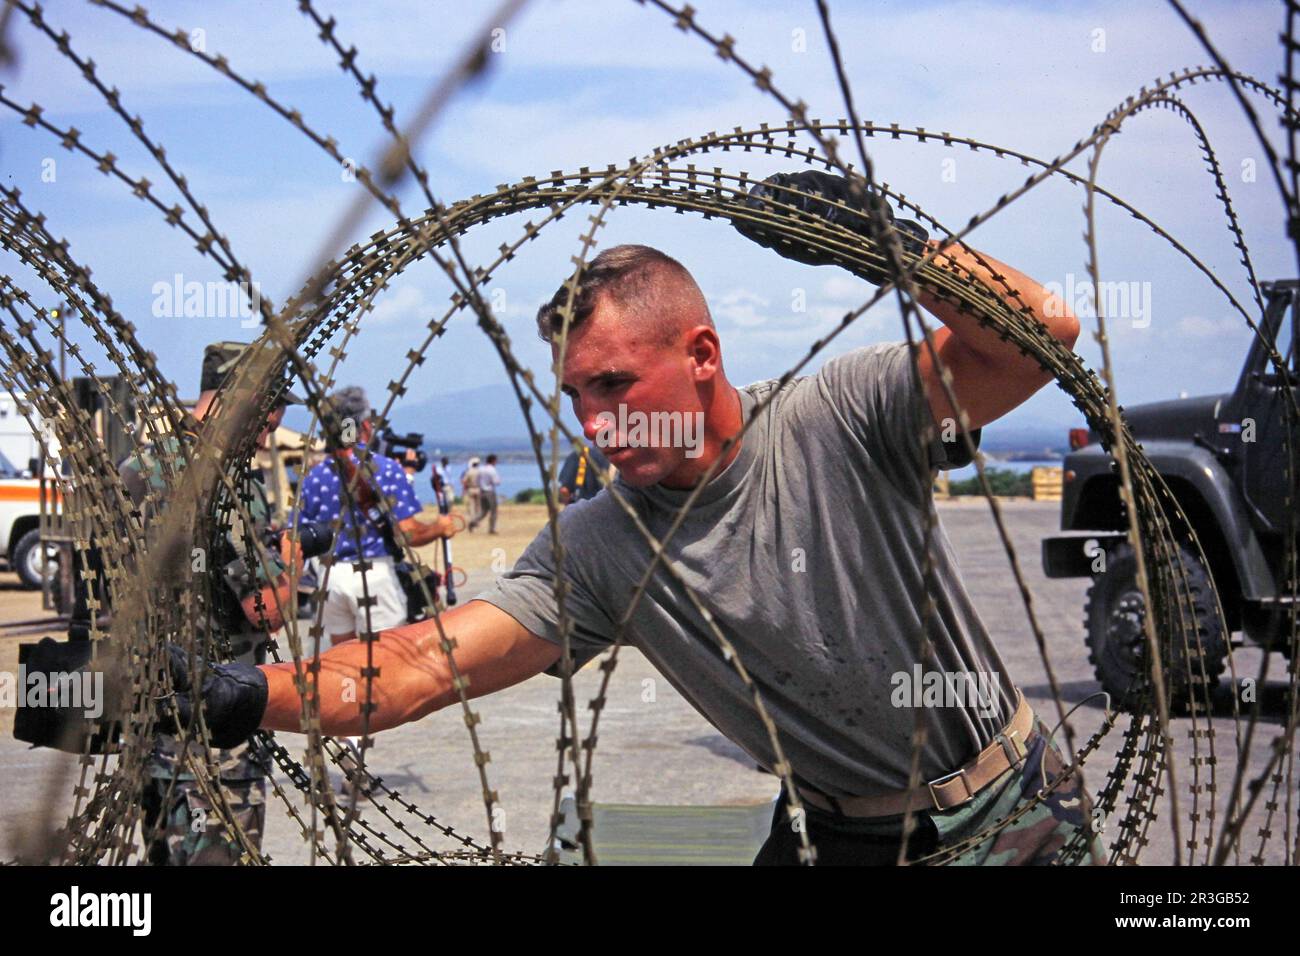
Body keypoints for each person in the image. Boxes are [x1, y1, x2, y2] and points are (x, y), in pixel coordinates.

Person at [165, 175, 1100, 866]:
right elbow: (413, 667)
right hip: (831, 834)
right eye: (577, 395)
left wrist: (898, 248)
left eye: (615, 383)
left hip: (1002, 817)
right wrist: (244, 692)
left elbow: (1039, 339)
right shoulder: (606, 545)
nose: (596, 423)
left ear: (701, 354)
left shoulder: (841, 415)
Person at [119, 341, 302, 866]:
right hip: (217, 718)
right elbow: (263, 609)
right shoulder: (229, 483)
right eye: (269, 407)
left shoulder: (136, 469)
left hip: (149, 712)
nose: (272, 422)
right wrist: (292, 564)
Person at [297, 386, 457, 649]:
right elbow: (408, 533)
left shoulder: (314, 476)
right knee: (386, 661)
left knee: (342, 661)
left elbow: (300, 533)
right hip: (375, 574)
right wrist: (440, 527)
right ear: (366, 426)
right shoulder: (385, 469)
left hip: (329, 577)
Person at [469, 453, 501, 534]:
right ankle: (491, 529)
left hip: (482, 492)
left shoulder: (481, 469)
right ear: (493, 461)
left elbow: (477, 481)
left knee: (483, 511)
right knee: (494, 511)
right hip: (490, 492)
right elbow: (496, 482)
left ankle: (473, 522)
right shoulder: (492, 470)